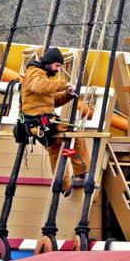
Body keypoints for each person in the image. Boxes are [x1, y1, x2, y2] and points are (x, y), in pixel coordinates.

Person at [20, 47, 87, 195]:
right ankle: (81, 173)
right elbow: (40, 86)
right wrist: (64, 84)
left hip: (39, 122)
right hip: (38, 122)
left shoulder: (41, 76)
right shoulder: (35, 73)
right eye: (57, 66)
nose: (57, 70)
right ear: (49, 63)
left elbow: (51, 101)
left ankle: (63, 183)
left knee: (55, 148)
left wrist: (68, 95)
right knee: (74, 136)